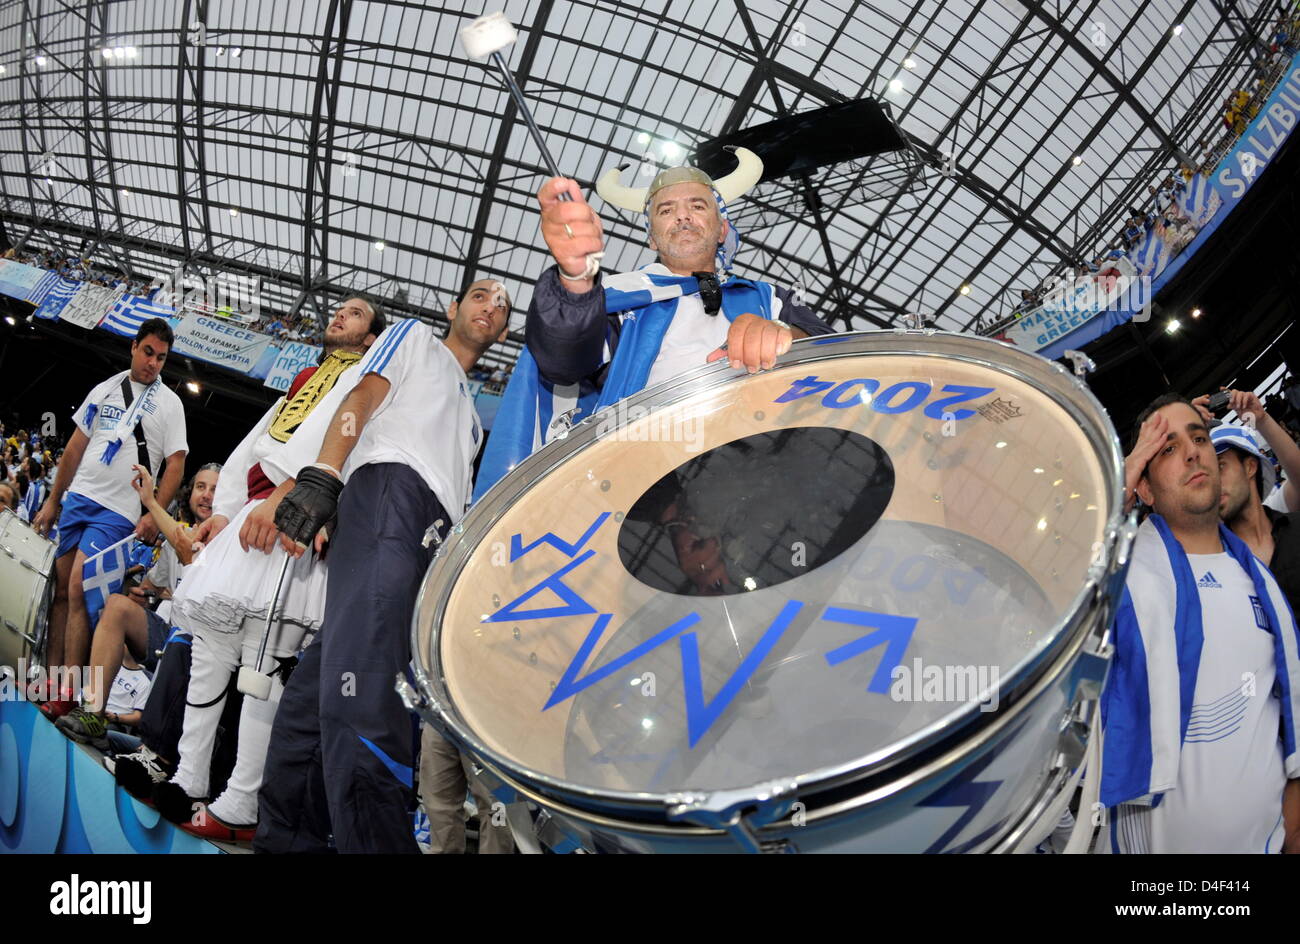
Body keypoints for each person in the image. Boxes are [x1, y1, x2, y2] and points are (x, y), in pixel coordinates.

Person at [253, 279, 509, 854]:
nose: (491, 307)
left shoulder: (472, 417)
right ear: (453, 308)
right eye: (480, 296)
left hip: (429, 536)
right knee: (368, 695)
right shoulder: (415, 337)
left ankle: (287, 839)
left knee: (323, 687)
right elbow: (362, 398)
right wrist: (323, 474)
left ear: (505, 332)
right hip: (389, 496)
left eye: (502, 307)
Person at [145, 298, 384, 841]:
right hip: (245, 529)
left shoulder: (368, 383)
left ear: (371, 339)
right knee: (208, 653)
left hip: (294, 527)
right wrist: (224, 513)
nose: (340, 316)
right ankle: (189, 777)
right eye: (339, 309)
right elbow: (249, 451)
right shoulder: (306, 378)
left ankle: (241, 800)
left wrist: (292, 500)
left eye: (356, 314)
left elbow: (346, 461)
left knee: (263, 665)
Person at [475, 148, 833, 496]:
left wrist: (786, 335)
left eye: (697, 205)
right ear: (651, 237)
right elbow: (561, 359)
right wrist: (575, 279)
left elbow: (838, 357)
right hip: (647, 484)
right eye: (666, 210)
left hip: (768, 469)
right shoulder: (615, 296)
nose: (682, 217)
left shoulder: (770, 298)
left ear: (722, 229)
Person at [1103, 393, 1300, 853]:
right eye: (1167, 448)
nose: (1193, 451)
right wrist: (1120, 484)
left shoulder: (1259, 580)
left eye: (1199, 438)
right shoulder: (1121, 576)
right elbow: (1048, 582)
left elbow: (1283, 701)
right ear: (1144, 488)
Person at [32, 319, 188, 711]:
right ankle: (50, 684)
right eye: (148, 352)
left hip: (119, 511)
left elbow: (176, 465)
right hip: (80, 497)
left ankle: (71, 695)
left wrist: (154, 511)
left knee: (82, 590)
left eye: (161, 358)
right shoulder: (105, 388)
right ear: (134, 347)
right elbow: (73, 449)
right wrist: (54, 500)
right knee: (61, 594)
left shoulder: (170, 404)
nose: (153, 363)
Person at [55, 463, 220, 749]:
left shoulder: (225, 540)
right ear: (190, 493)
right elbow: (152, 587)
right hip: (171, 637)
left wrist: (150, 504)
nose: (206, 495)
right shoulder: (173, 540)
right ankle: (93, 713)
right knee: (117, 607)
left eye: (216, 489)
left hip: (209, 652)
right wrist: (143, 594)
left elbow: (190, 550)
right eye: (201, 487)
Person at [1212, 423, 1300, 620]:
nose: (1213, 483)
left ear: (1250, 466)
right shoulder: (1213, 571)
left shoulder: (1295, 529)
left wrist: (1260, 418)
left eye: (1220, 466)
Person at [1192, 387, 1300, 514]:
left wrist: (1262, 420)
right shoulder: (1207, 530)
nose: (1213, 480)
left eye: (1220, 466)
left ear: (1250, 467)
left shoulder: (1272, 507)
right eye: (1206, 472)